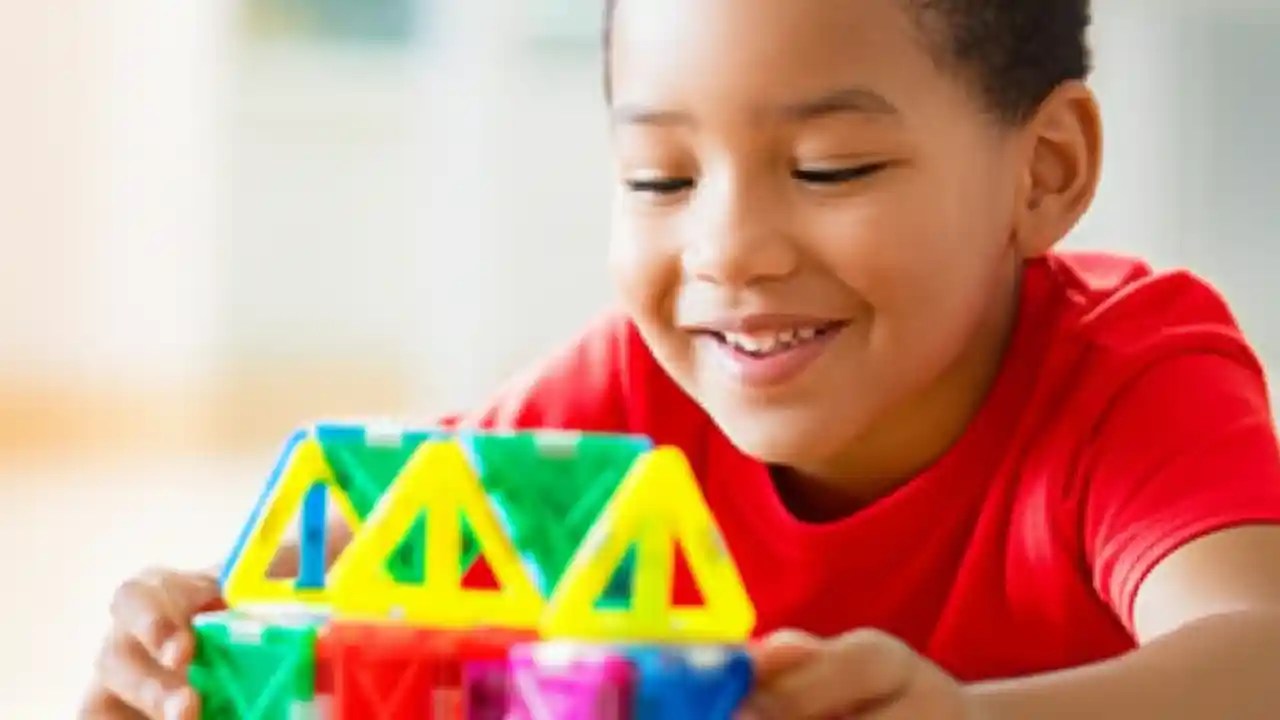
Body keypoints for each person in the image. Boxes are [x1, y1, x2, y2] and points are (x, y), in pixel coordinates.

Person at [81, 0, 1280, 718]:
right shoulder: (616, 401)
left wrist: (964, 717)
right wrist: (185, 645)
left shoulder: (1127, 372)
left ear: (1046, 169)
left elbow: (1258, 655)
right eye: (659, 179)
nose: (727, 251)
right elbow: (349, 582)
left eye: (828, 169)